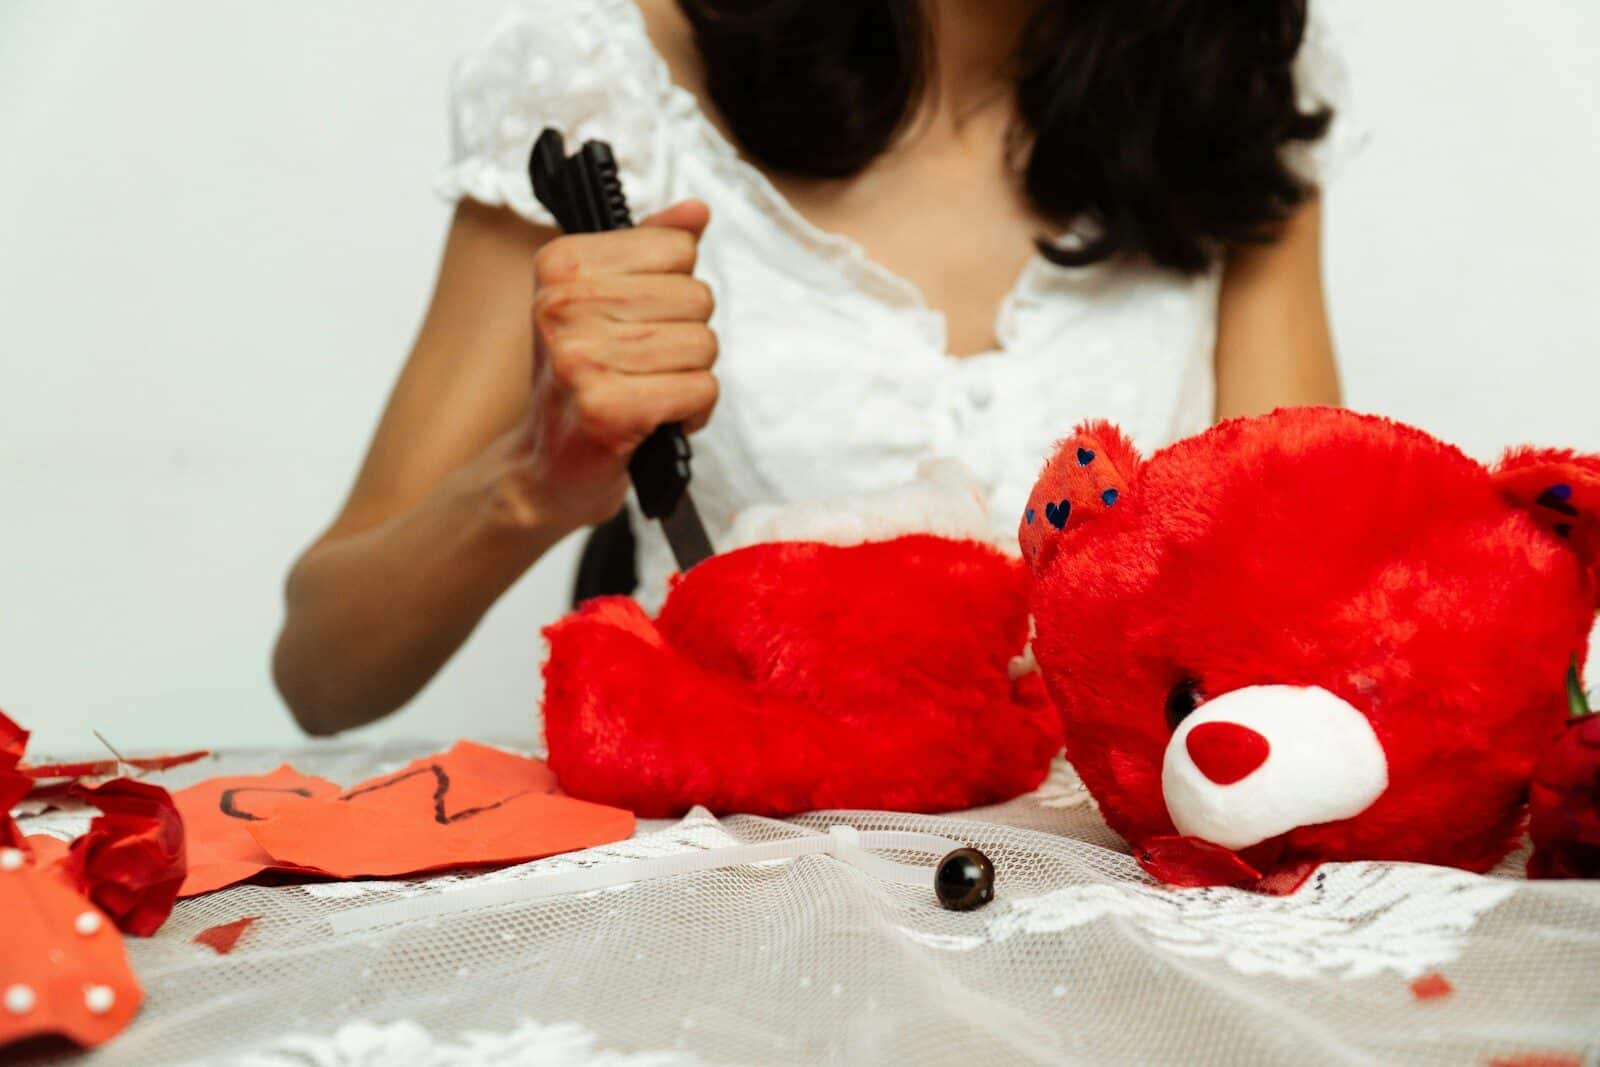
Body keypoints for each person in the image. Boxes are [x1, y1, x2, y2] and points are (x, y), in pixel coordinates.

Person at [273, 0, 1349, 735]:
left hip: (1115, 900)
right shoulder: (605, 78)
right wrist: (533, 479)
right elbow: (325, 672)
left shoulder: (1231, 88)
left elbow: (1301, 614)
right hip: (732, 893)